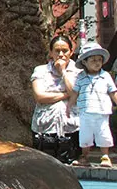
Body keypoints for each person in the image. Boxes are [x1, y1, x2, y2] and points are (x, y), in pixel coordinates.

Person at [30, 35, 81, 163]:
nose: (61, 54)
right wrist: (65, 95)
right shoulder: (40, 71)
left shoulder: (78, 71)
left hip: (71, 127)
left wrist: (63, 71)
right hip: (44, 128)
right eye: (57, 51)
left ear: (71, 52)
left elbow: (75, 93)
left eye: (65, 50)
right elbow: (40, 97)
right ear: (51, 53)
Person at [66, 41, 117, 167]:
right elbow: (75, 93)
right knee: (85, 136)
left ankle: (105, 156)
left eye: (99, 60)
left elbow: (113, 92)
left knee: (104, 134)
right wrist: (69, 106)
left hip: (102, 112)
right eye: (93, 60)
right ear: (84, 62)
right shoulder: (80, 77)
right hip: (85, 112)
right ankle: (84, 156)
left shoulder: (105, 76)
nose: (97, 62)